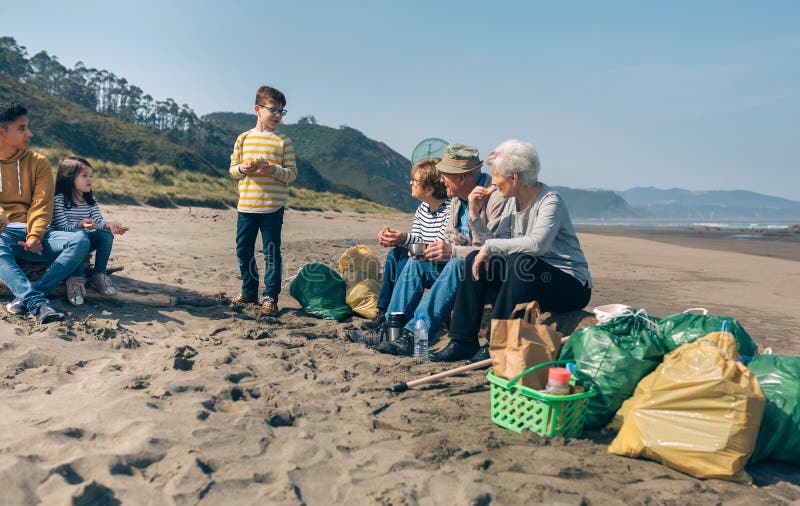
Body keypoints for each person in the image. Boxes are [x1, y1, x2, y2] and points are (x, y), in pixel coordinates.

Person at [431, 139, 592, 362]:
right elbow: (495, 247)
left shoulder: (550, 201)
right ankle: (463, 341)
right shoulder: (512, 203)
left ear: (514, 177)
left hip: (569, 284)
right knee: (473, 259)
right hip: (528, 278)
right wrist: (475, 216)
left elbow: (538, 244)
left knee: (521, 261)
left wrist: (490, 246)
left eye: (496, 175)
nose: (494, 183)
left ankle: (496, 344)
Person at [349, 144, 505, 355]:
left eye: (445, 175)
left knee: (458, 263)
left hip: (483, 274)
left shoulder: (495, 198)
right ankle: (391, 330)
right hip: (456, 267)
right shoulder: (456, 199)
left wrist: (451, 251)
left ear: (462, 177)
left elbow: (493, 248)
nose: (441, 180)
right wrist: (427, 250)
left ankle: (413, 335)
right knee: (415, 262)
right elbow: (450, 238)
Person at [0, 103, 90, 323]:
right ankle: (37, 303)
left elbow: (42, 203)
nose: (29, 133)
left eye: (28, 127)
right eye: (21, 128)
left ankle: (31, 296)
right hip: (3, 234)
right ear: (2, 132)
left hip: (36, 234)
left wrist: (35, 234)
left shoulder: (38, 162)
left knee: (80, 240)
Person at [229, 86, 296, 315]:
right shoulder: (243, 138)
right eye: (273, 110)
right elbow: (232, 171)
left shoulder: (283, 141)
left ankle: (270, 296)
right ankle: (249, 292)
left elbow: (291, 174)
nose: (278, 115)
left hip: (273, 207)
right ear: (258, 109)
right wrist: (243, 168)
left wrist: (274, 170)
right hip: (246, 205)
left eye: (282, 111)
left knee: (271, 252)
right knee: (243, 250)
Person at [362, 158, 450, 329]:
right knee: (396, 254)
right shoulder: (423, 208)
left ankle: (396, 319)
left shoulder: (449, 210)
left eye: (415, 181)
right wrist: (397, 239)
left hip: (440, 266)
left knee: (407, 256)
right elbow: (417, 240)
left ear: (430, 189)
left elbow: (437, 246)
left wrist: (404, 239)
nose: (411, 183)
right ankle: (385, 310)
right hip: (423, 259)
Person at [50, 156, 127, 305]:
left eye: (91, 175)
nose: (89, 179)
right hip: (66, 243)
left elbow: (97, 220)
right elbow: (61, 227)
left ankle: (99, 275)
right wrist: (80, 225)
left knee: (105, 235)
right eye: (84, 176)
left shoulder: (90, 199)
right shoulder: (59, 200)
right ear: (69, 178)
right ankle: (76, 278)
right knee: (80, 236)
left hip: (84, 239)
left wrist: (109, 225)